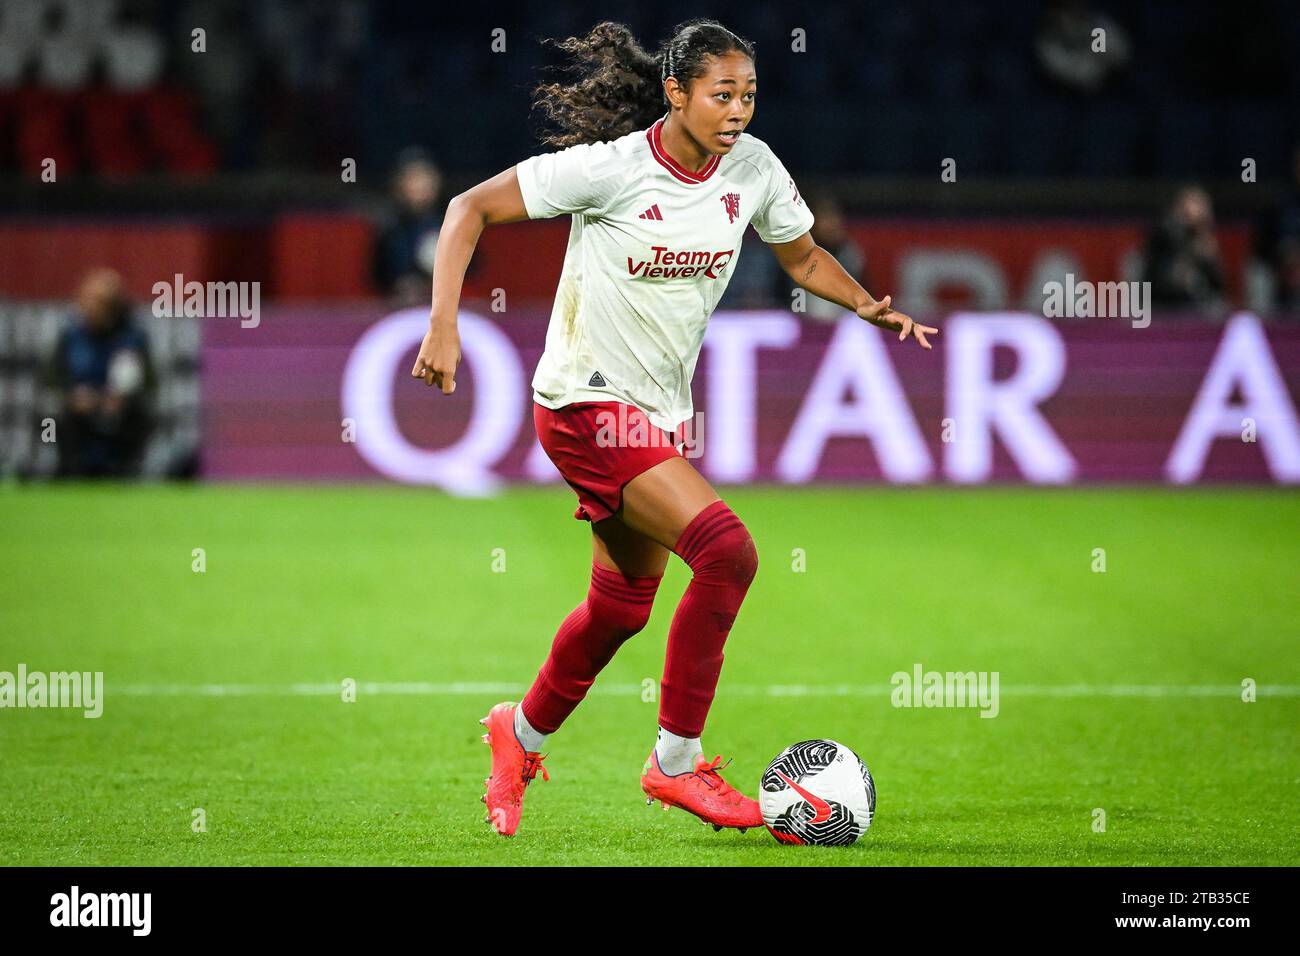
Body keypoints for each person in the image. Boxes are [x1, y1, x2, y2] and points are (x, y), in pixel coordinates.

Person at [410, 19, 936, 837]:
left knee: (621, 609)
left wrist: (861, 302)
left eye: (750, 95)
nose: (737, 111)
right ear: (676, 92)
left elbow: (798, 257)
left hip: (655, 413)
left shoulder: (754, 169)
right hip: (585, 405)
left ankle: (516, 735)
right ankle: (675, 763)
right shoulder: (610, 170)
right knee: (728, 553)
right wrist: (442, 326)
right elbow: (466, 208)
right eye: (722, 94)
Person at [44, 268, 155, 477]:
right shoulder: (69, 336)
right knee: (49, 422)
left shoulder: (133, 338)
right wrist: (72, 395)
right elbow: (50, 378)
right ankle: (61, 470)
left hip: (120, 409)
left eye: (100, 302)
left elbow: (149, 382)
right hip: (75, 409)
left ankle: (126, 472)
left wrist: (123, 398)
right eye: (88, 301)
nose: (91, 308)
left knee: (141, 419)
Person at [371, 148, 448, 306]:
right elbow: (377, 276)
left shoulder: (453, 222)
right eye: (413, 179)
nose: (420, 187)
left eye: (425, 179)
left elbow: (474, 272)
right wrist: (401, 285)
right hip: (399, 311)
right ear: (399, 184)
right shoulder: (389, 227)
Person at [1142, 185, 1226, 315]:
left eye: (1203, 206)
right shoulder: (1163, 234)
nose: (1200, 210)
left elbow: (1218, 287)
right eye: (1194, 203)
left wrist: (1209, 259)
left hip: (1198, 307)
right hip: (1163, 303)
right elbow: (1153, 277)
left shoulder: (1205, 239)